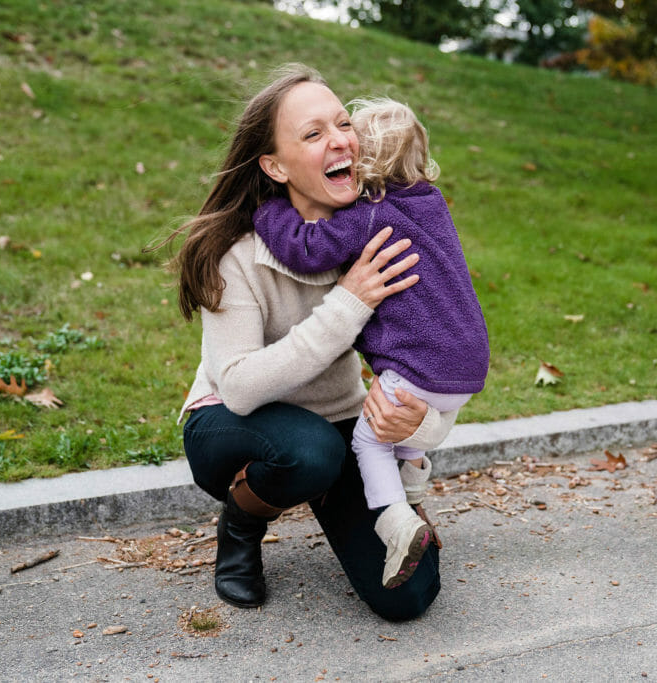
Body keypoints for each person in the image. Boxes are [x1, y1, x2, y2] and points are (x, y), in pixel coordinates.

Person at [168, 64, 456, 621]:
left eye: (343, 123)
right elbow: (241, 388)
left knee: (409, 596)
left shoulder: (380, 236)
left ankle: (346, 499)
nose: (341, 140)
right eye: (313, 133)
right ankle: (242, 522)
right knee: (310, 452)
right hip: (229, 419)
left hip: (337, 421)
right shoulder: (238, 254)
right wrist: (349, 303)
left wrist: (418, 424)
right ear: (274, 166)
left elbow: (443, 358)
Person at [253, 97, 489, 589]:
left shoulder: (368, 216)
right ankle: (415, 491)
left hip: (418, 366)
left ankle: (396, 523)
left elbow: (306, 247)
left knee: (369, 438)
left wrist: (269, 212)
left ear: (365, 165)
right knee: (400, 435)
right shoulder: (430, 201)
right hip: (465, 366)